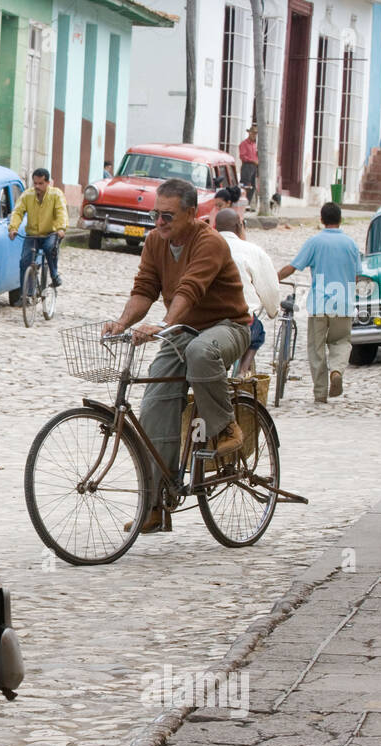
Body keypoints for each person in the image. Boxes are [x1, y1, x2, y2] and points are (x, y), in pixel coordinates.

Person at [102, 178, 253, 534]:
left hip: (227, 325)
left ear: (190, 213)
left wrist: (164, 324)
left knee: (201, 351)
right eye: (156, 214)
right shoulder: (156, 242)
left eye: (167, 216)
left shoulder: (210, 242)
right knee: (153, 405)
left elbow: (190, 290)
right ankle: (156, 505)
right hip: (182, 330)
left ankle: (225, 425)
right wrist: (123, 322)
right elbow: (144, 289)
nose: (159, 223)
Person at [277, 202, 360, 403]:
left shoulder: (315, 242)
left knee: (316, 348)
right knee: (341, 342)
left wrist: (274, 277)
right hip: (344, 304)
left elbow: (294, 266)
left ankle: (321, 393)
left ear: (322, 220)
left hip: (320, 305)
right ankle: (337, 371)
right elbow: (357, 276)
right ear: (340, 220)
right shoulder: (351, 244)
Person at [215, 208, 280, 377]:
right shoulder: (252, 251)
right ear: (239, 226)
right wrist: (273, 310)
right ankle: (242, 372)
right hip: (239, 321)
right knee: (257, 333)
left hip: (206, 319)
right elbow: (270, 288)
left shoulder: (203, 247)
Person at [8, 168, 68, 290]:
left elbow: (61, 212)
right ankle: (27, 293)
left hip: (50, 233)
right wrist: (13, 227)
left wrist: (61, 228)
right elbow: (18, 212)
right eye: (35, 183)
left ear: (47, 183)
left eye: (40, 183)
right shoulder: (27, 195)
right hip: (32, 234)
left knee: (49, 248)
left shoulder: (56, 194)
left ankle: (54, 275)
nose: (37, 186)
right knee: (25, 260)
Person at [239, 125, 259, 208]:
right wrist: (252, 160)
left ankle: (247, 203)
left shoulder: (254, 145)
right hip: (247, 166)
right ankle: (242, 202)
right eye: (253, 133)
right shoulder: (244, 144)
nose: (254, 135)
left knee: (253, 186)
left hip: (254, 167)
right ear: (249, 133)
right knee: (245, 185)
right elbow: (242, 156)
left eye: (255, 134)